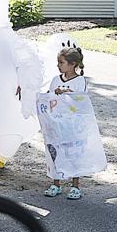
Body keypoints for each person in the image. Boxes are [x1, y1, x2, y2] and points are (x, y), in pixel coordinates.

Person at [43, 47, 88, 200]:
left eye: (61, 62)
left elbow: (81, 99)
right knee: (55, 152)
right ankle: (56, 183)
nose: (58, 65)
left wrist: (68, 94)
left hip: (73, 125)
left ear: (72, 64)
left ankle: (75, 186)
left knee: (74, 153)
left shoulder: (80, 81)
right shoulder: (56, 80)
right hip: (57, 123)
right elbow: (48, 99)